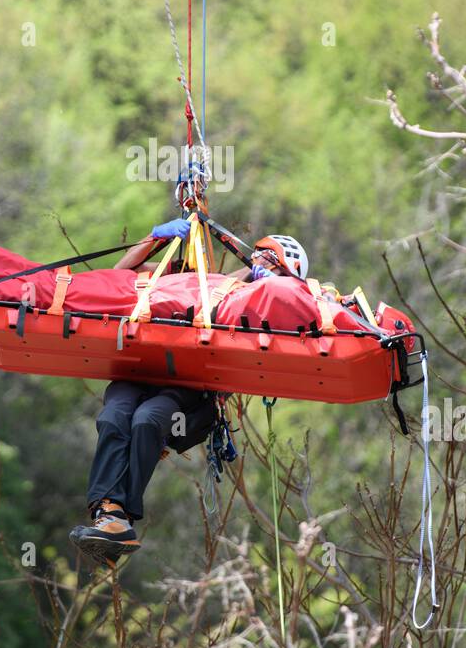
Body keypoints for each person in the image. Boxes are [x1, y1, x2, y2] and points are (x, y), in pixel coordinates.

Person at [69, 222, 309, 565]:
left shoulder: (256, 300)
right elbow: (116, 276)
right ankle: (108, 515)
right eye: (264, 258)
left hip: (188, 386)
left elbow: (290, 312)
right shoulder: (189, 277)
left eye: (272, 262)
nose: (263, 264)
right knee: (112, 417)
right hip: (138, 369)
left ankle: (117, 518)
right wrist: (156, 238)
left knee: (147, 420)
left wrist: (265, 283)